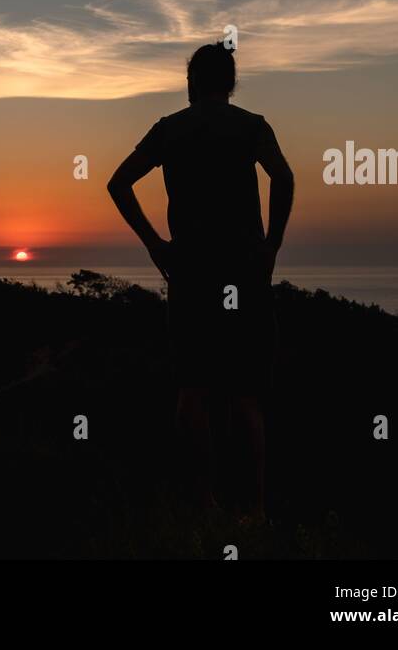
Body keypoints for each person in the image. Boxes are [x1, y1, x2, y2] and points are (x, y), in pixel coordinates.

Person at [106, 41, 294, 520]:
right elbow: (284, 178)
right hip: (245, 274)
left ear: (192, 83)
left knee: (193, 390)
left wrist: (154, 243)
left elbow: (119, 182)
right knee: (246, 396)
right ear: (229, 84)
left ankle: (202, 504)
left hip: (190, 274)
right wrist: (272, 244)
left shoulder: (170, 130)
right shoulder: (252, 126)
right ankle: (252, 511)